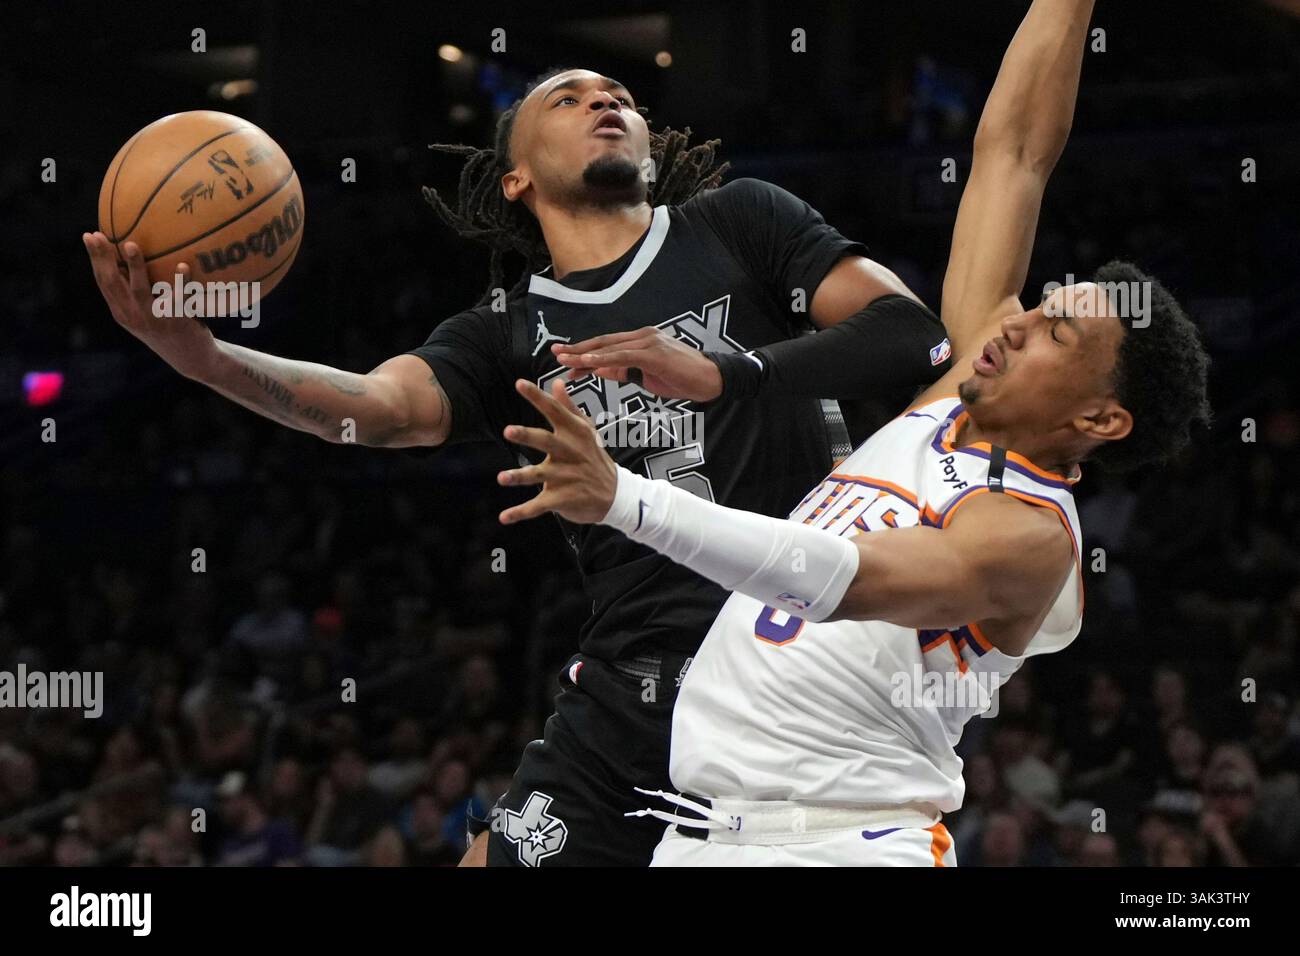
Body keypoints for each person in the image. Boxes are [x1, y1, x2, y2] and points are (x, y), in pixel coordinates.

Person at [83, 67, 952, 866]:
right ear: (516, 178)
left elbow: (913, 332)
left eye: (617, 95)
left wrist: (728, 370)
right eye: (566, 100)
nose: (604, 102)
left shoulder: (740, 223)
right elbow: (380, 412)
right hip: (638, 681)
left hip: (795, 659)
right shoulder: (506, 331)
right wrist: (204, 360)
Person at [491, 0, 1212, 865]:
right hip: (709, 830)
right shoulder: (951, 397)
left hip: (846, 843)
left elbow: (835, 578)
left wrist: (624, 500)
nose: (1016, 324)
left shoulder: (1028, 536)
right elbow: (1015, 155)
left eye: (1055, 334)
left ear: (1100, 418)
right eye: (1039, 305)